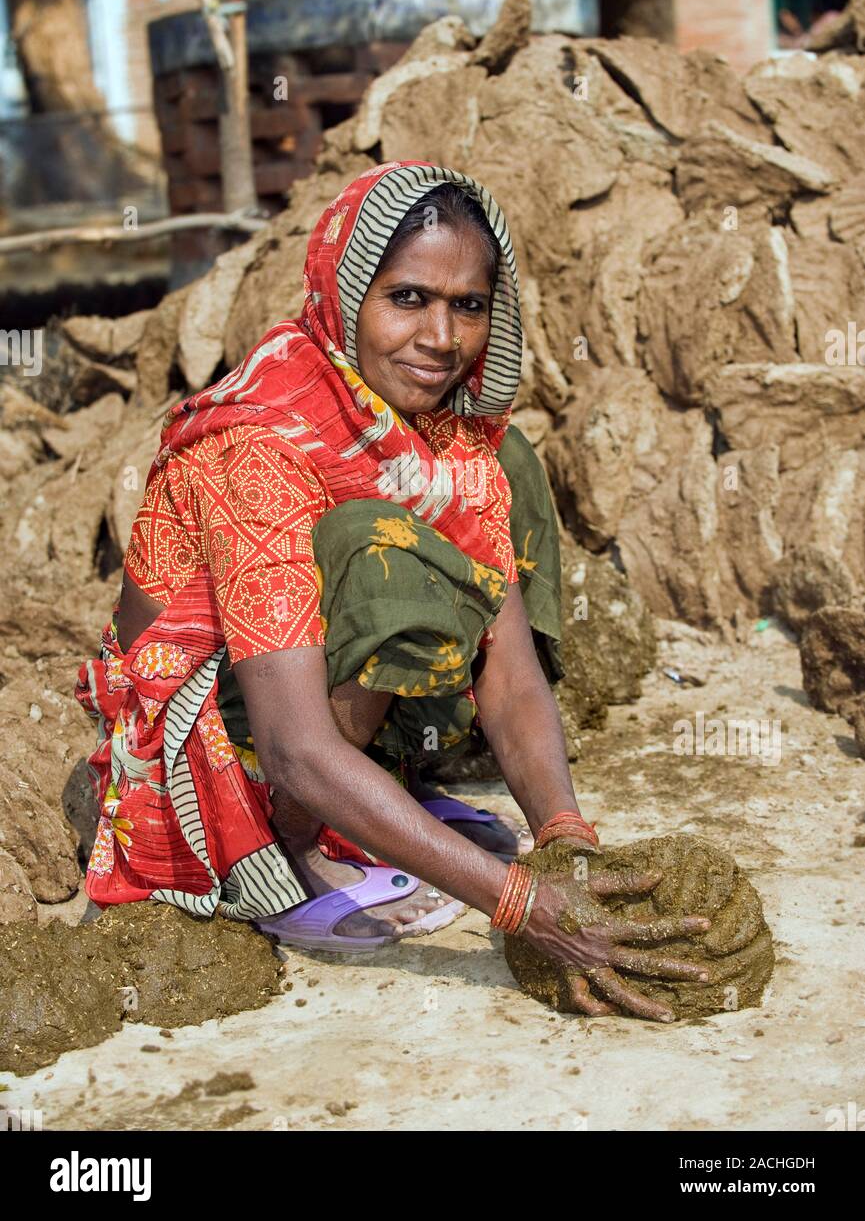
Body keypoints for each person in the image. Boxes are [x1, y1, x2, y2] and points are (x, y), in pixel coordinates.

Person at [75, 160, 711, 1020]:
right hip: (219, 739)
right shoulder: (261, 446)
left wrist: (563, 842)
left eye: (469, 305)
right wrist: (523, 908)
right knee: (384, 551)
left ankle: (376, 791)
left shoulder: (441, 432)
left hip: (304, 680)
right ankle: (290, 844)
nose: (441, 339)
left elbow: (508, 663)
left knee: (502, 469)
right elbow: (296, 742)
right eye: (407, 298)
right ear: (343, 296)